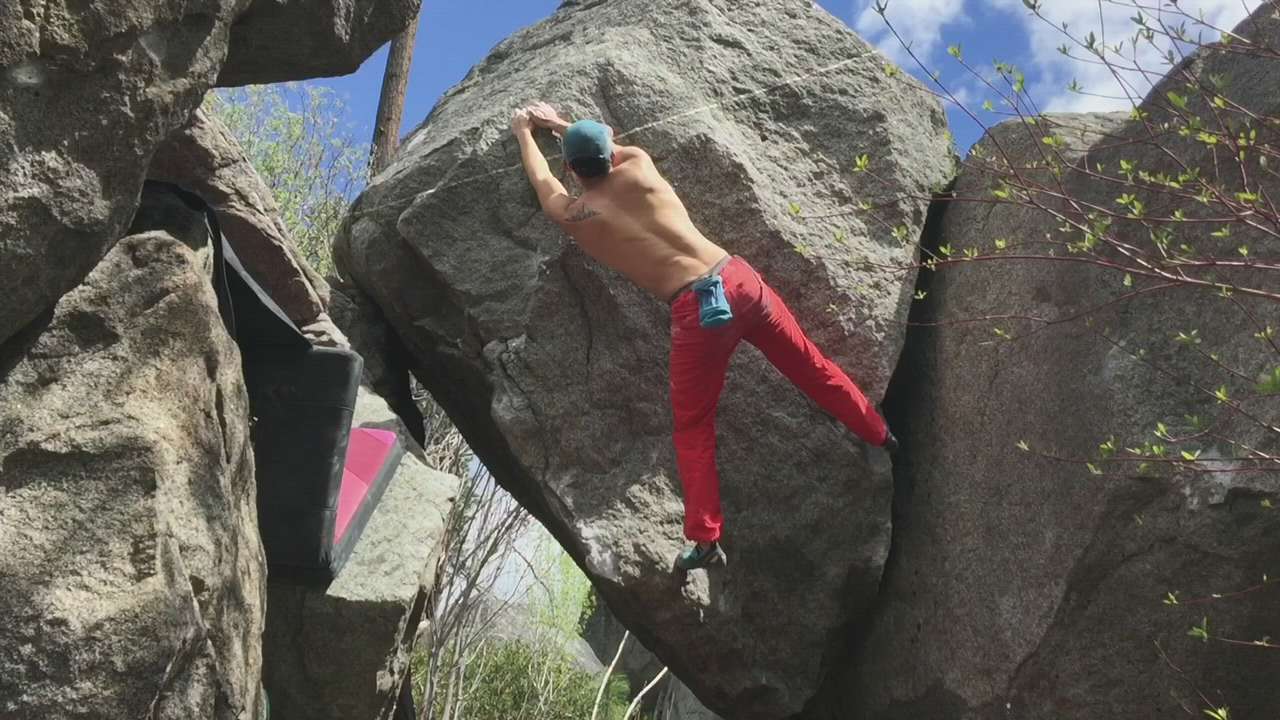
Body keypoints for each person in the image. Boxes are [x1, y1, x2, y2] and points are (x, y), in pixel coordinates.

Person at [511, 102, 897, 571]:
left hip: (698, 313)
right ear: (609, 154)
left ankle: (705, 538)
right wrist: (560, 125)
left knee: (694, 429)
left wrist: (524, 133)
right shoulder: (639, 166)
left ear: (572, 168)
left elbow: (543, 185)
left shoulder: (578, 213)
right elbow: (603, 146)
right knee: (809, 364)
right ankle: (878, 433)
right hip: (739, 280)